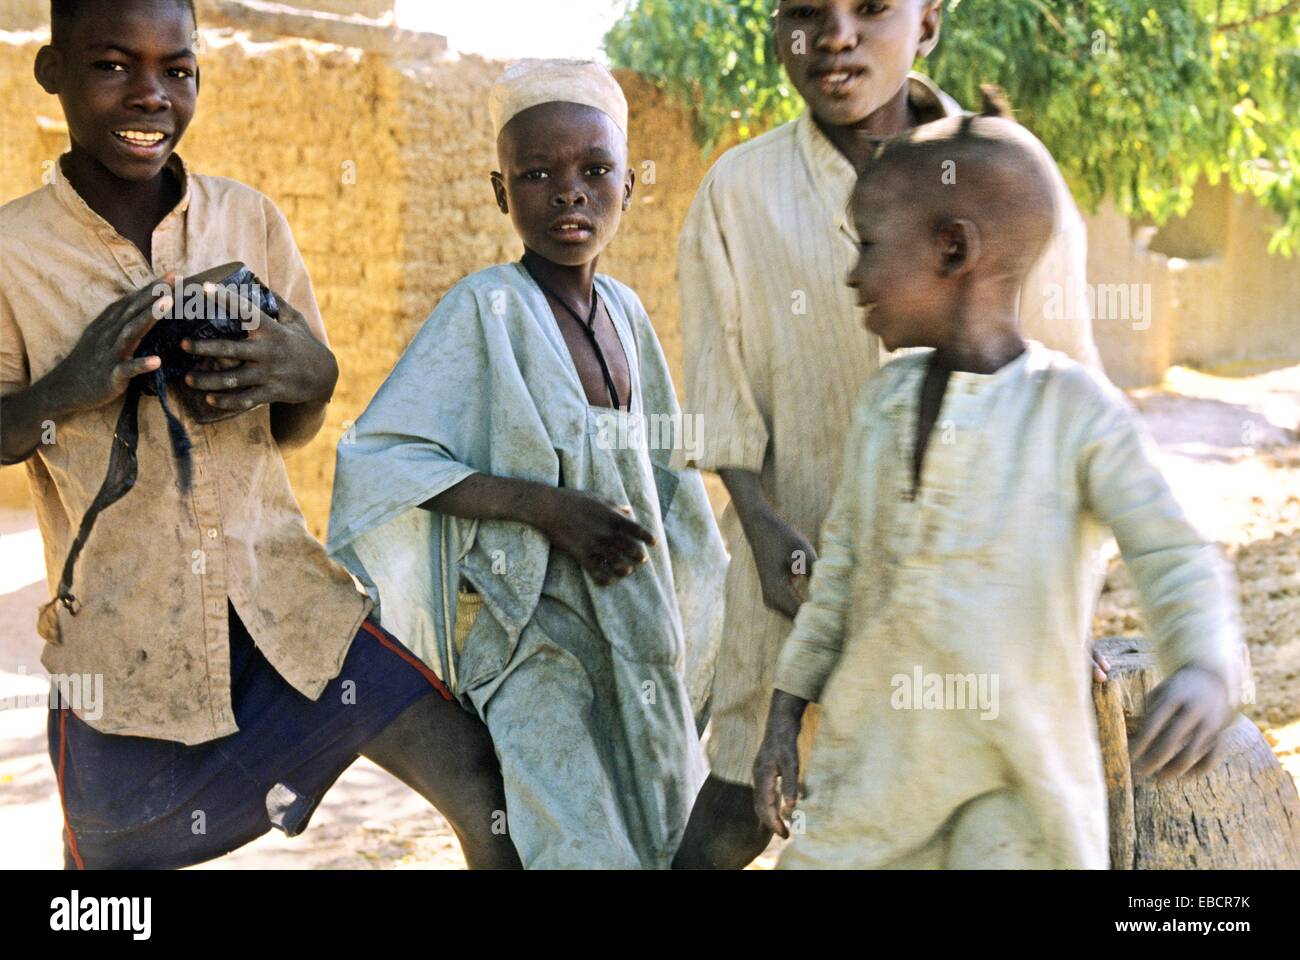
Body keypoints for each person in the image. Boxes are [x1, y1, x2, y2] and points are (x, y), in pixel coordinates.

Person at [0, 0, 516, 869]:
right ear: (52, 70)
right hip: (126, 648)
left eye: (178, 69)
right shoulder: (13, 252)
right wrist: (70, 384)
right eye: (112, 65)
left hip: (286, 606)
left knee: (479, 781)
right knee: (105, 894)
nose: (150, 94)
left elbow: (301, 419)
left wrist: (309, 377)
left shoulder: (250, 220)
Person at [750, 100, 1247, 869]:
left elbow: (1171, 552)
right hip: (872, 777)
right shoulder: (884, 405)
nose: (852, 275)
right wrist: (784, 715)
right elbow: (840, 577)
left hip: (1023, 788)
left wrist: (1208, 667)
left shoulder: (1074, 412)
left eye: (870, 246)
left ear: (953, 249)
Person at [675, 0, 1106, 868]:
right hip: (790, 573)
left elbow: (1067, 379)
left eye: (871, 8)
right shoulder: (738, 190)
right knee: (735, 807)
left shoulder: (1006, 174)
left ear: (930, 23)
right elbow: (722, 394)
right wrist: (760, 526)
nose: (836, 36)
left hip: (974, 594)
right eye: (806, 12)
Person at [327, 59, 727, 869]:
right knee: (569, 835)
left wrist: (703, 589)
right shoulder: (485, 307)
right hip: (529, 642)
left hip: (638, 629)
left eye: (594, 170)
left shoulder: (629, 315)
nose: (569, 192)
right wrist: (548, 509)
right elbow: (386, 460)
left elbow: (671, 477)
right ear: (500, 192)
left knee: (662, 820)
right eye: (537, 174)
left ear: (630, 186)